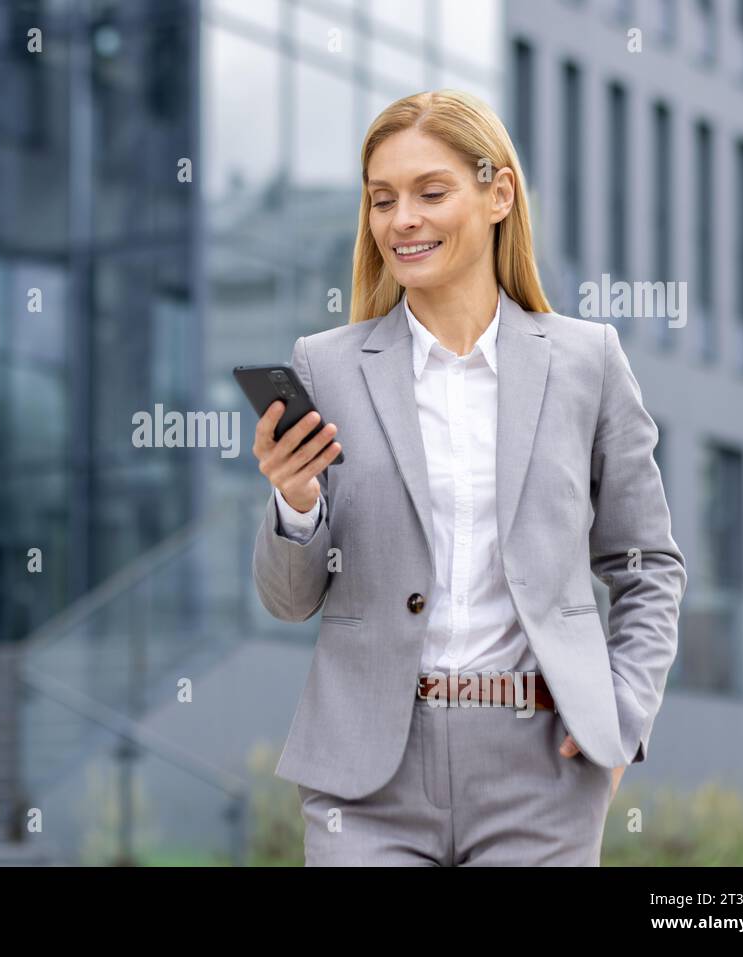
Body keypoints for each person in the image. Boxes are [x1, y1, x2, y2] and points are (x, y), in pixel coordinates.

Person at [249, 89, 687, 866]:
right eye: (383, 200)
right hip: (365, 776)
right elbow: (290, 601)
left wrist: (621, 719)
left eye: (430, 192)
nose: (401, 220)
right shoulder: (327, 365)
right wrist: (296, 502)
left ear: (498, 194)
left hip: (540, 772)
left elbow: (647, 564)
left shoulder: (587, 362)